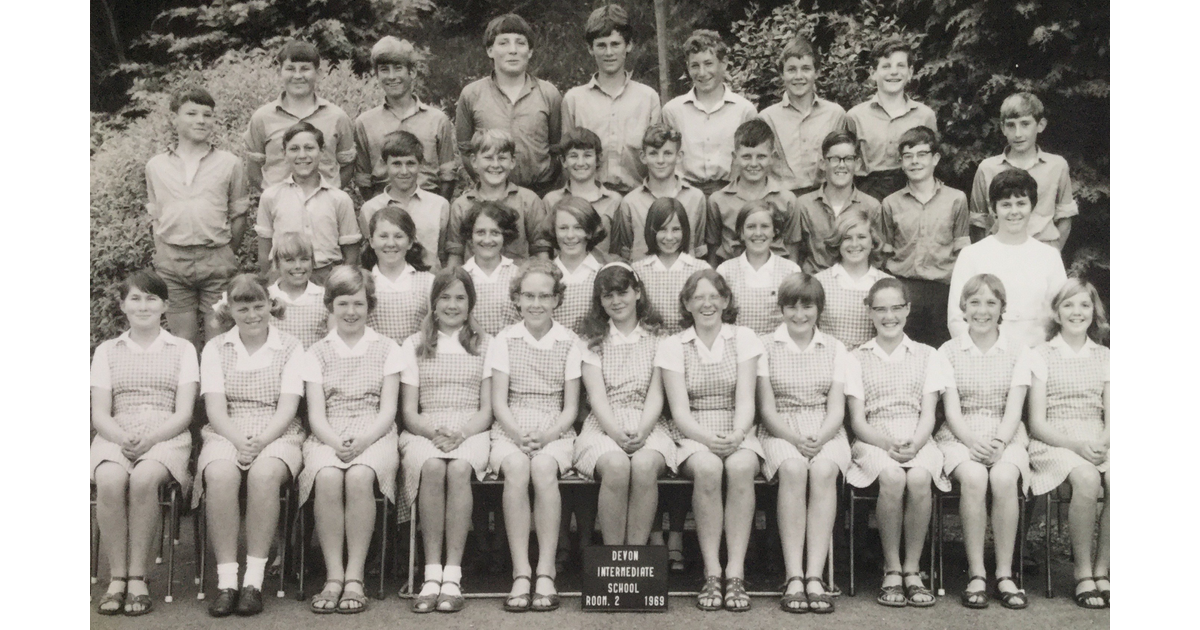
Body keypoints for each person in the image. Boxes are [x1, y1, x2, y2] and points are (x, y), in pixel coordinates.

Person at [195, 274, 306, 617]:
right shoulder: (215, 347)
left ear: (271, 305)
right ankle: (227, 581)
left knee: (264, 474)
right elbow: (215, 408)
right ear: (229, 309)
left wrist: (260, 441)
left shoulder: (291, 346)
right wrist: (239, 440)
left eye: (259, 305)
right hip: (227, 430)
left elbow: (288, 407)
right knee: (220, 474)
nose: (252, 314)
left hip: (277, 430)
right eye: (243, 307)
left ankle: (253, 582)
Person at [656, 269, 765, 612]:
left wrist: (736, 434)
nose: (707, 304)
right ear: (687, 304)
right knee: (707, 468)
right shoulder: (673, 345)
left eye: (714, 296)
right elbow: (679, 412)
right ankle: (712, 571)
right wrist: (708, 439)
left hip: (736, 426)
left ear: (726, 301)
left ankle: (736, 570)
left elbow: (747, 399)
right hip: (693, 432)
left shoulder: (744, 338)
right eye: (698, 297)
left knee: (743, 465)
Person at [91, 270, 199, 616]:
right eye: (135, 298)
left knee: (144, 478)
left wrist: (151, 438)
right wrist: (121, 437)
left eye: (151, 297)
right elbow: (99, 413)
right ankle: (117, 577)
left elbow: (184, 413)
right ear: (122, 305)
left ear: (165, 305)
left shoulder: (182, 349)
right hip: (117, 432)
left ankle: (139, 576)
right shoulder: (106, 350)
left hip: (165, 433)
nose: (143, 305)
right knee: (109, 480)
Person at [299, 265, 403, 614]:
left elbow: (388, 410)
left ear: (370, 306)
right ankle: (333, 575)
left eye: (358, 303)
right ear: (330, 305)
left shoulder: (388, 348)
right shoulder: (315, 352)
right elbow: (316, 414)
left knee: (360, 477)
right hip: (327, 432)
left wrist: (363, 440)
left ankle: (355, 576)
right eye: (343, 303)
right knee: (327, 476)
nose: (351, 312)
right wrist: (334, 440)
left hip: (375, 431)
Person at [844, 277, 953, 608]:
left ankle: (913, 570)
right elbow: (858, 422)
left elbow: (929, 416)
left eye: (896, 308)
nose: (888, 316)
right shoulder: (855, 357)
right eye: (880, 309)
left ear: (907, 310)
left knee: (919, 477)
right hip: (874, 439)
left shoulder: (927, 355)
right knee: (892, 476)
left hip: (918, 437)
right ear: (870, 313)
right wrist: (887, 443)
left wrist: (917, 443)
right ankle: (891, 568)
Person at [486, 259, 583, 612]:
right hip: (509, 428)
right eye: (529, 296)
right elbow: (499, 401)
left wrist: (546, 436)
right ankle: (520, 571)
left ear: (558, 299)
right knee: (515, 468)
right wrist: (517, 433)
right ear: (517, 299)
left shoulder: (570, 342)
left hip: (553, 429)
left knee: (543, 469)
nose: (536, 303)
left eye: (545, 296)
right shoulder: (504, 339)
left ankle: (545, 569)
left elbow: (570, 407)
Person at [398, 268, 494, 613]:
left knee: (459, 470)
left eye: (460, 297)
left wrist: (463, 433)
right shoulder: (414, 344)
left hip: (472, 429)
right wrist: (433, 433)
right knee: (433, 467)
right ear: (434, 302)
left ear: (470, 303)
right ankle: (431, 572)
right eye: (445, 297)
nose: (452, 305)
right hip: (426, 429)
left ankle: (452, 575)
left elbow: (487, 408)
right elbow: (409, 411)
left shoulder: (486, 344)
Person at [935, 274, 1033, 610]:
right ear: (963, 307)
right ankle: (976, 572)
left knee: (1004, 478)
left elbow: (1015, 407)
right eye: (975, 302)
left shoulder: (1019, 351)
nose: (982, 310)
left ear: (1002, 308)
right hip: (960, 435)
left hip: (1005, 434)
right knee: (975, 478)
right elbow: (951, 410)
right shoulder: (947, 351)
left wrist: (998, 442)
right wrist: (973, 442)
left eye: (991, 302)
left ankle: (1004, 574)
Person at [756, 273, 851, 614]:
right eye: (792, 306)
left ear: (818, 309)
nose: (799, 314)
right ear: (781, 309)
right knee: (794, 469)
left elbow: (837, 408)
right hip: (781, 429)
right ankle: (793, 575)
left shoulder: (835, 347)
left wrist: (820, 438)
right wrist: (795, 439)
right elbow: (767, 409)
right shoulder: (764, 346)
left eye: (807, 306)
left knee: (824, 470)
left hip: (825, 429)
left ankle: (815, 575)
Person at [574, 263, 675, 545]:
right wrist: (616, 433)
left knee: (644, 465)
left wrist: (642, 431)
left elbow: (657, 393)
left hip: (648, 422)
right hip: (604, 424)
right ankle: (613, 556)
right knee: (616, 466)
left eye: (623, 292)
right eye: (608, 296)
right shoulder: (591, 340)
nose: (616, 301)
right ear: (600, 301)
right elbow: (596, 395)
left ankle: (636, 555)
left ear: (638, 292)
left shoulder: (659, 338)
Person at [1027, 277, 1110, 609]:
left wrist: (1103, 442)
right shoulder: (1040, 354)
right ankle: (1082, 571)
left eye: (1085, 305)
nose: (1077, 312)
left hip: (1099, 437)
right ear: (1057, 314)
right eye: (1069, 304)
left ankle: (1103, 568)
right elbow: (1037, 422)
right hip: (1056, 442)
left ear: (1094, 312)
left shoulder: (1105, 356)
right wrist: (1077, 448)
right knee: (1087, 478)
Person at [145, 86, 248, 348]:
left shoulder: (230, 163)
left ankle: (214, 389)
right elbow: (156, 215)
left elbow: (239, 214)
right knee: (183, 343)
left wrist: (226, 253)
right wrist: (163, 254)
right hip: (172, 263)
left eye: (207, 115)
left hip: (216, 261)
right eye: (191, 113)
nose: (201, 120)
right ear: (174, 119)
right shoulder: (156, 166)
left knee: (220, 341)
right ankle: (189, 390)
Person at [948, 168, 1067, 348]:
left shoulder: (1049, 256)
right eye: (1005, 204)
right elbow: (957, 318)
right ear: (994, 208)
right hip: (985, 358)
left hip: (1039, 356)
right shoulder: (972, 255)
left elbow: (1061, 315)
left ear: (1032, 206)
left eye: (1021, 203)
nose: (1014, 211)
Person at [876, 126, 968, 349]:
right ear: (901, 162)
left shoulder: (956, 200)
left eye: (921, 155)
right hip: (906, 288)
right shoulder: (890, 203)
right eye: (907, 156)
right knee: (906, 351)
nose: (914, 162)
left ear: (935, 158)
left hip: (943, 290)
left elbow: (963, 252)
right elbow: (885, 253)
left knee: (943, 352)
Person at [455, 13, 562, 197]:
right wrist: (486, 183)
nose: (513, 50)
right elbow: (466, 150)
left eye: (520, 43)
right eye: (503, 43)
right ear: (490, 50)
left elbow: (556, 148)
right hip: (491, 194)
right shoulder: (472, 94)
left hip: (540, 193)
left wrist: (547, 186)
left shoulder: (549, 93)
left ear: (529, 51)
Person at [561, 4, 662, 196]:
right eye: (601, 45)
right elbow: (567, 160)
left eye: (615, 44)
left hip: (636, 197)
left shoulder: (648, 98)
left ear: (629, 45)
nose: (609, 53)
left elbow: (657, 158)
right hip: (588, 198)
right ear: (590, 48)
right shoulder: (574, 100)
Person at [255, 122, 361, 285]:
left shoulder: (339, 199)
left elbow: (351, 253)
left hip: (327, 277)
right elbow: (264, 251)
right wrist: (271, 282)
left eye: (309, 148)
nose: (302, 155)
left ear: (322, 151)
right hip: (284, 278)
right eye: (294, 149)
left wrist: (340, 284)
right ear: (284, 153)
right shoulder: (271, 196)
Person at [968, 92, 1077, 249]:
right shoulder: (987, 168)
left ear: (1040, 125)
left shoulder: (1057, 165)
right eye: (1011, 125)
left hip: (1043, 250)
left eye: (1025, 124)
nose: (1018, 133)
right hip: (1000, 252)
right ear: (1003, 128)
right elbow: (978, 221)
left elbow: (1065, 215)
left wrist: (1052, 253)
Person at [354, 36, 457, 201]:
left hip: (428, 208)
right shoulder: (365, 123)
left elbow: (448, 175)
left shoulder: (437, 120)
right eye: (384, 69)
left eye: (398, 68)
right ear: (377, 75)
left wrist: (436, 211)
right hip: (384, 213)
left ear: (413, 72)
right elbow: (363, 179)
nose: (391, 76)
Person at [245, 41, 355, 191]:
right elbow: (253, 165)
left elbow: (348, 164)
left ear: (318, 73)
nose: (297, 76)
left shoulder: (337, 117)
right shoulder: (262, 117)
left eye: (305, 69)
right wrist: (271, 195)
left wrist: (330, 193)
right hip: (279, 208)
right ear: (280, 72)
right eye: (290, 69)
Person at [661, 30, 757, 197]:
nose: (702, 73)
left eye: (709, 63)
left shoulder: (744, 110)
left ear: (724, 63)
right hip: (685, 196)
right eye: (695, 66)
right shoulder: (672, 111)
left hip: (731, 194)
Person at [845, 38, 937, 201]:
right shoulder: (855, 116)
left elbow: (930, 166)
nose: (893, 72)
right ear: (873, 73)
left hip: (912, 198)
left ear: (910, 72)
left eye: (900, 66)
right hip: (868, 198)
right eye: (886, 66)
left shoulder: (925, 115)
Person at [445, 129, 553, 265]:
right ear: (474, 161)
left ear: (512, 161)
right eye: (488, 158)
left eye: (502, 158)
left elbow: (541, 250)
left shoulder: (528, 200)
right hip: (475, 283)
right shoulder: (461, 206)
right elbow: (455, 255)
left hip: (518, 281)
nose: (495, 165)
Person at [757, 38, 848, 197]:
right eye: (791, 69)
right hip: (782, 201)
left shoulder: (835, 114)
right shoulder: (766, 119)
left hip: (825, 198)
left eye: (806, 68)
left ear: (817, 72)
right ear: (781, 74)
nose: (799, 76)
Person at [707, 118, 802, 266]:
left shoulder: (787, 200)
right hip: (731, 276)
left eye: (761, 157)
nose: (753, 164)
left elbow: (792, 252)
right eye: (746, 156)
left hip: (776, 277)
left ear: (772, 157)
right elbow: (713, 253)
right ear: (735, 158)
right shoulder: (718, 200)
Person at [609, 124, 710, 262]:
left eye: (667, 153)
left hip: (685, 277)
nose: (660, 161)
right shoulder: (630, 202)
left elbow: (698, 248)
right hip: (643, 277)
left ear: (679, 156)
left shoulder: (696, 198)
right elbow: (627, 250)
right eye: (653, 153)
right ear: (643, 157)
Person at [358, 131, 452, 270]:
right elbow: (370, 256)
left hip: (430, 283)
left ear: (420, 165)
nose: (404, 171)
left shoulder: (439, 205)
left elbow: (443, 254)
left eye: (410, 163)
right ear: (385, 165)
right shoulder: (370, 208)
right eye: (396, 164)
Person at [795, 131, 881, 274]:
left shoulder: (871, 206)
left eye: (848, 159)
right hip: (814, 286)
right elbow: (796, 253)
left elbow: (877, 255)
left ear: (858, 164)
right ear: (823, 163)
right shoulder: (803, 205)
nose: (841, 165)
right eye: (834, 159)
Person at [716, 200, 802, 335]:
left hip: (777, 350)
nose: (758, 233)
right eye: (751, 227)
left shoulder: (791, 271)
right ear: (741, 232)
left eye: (765, 226)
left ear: (775, 231)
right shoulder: (725, 271)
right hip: (737, 349)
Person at [814, 209, 892, 349]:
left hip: (871, 364)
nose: (854, 244)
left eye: (861, 237)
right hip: (830, 363)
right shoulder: (819, 282)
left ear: (873, 241)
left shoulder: (887, 284)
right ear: (837, 243)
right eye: (847, 238)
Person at [632, 198, 711, 335]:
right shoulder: (638, 270)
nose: (669, 237)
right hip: (650, 345)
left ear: (684, 231)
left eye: (676, 229)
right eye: (662, 229)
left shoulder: (700, 269)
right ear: (651, 231)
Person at [542, 128, 623, 256]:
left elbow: (618, 248)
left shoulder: (614, 200)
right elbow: (546, 246)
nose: (580, 163)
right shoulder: (551, 200)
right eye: (573, 156)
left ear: (598, 158)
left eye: (587, 155)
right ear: (563, 161)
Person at [362, 207, 434, 345]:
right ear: (371, 241)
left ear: (410, 242)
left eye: (398, 236)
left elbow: (435, 329)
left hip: (416, 360)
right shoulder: (362, 282)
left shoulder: (428, 282)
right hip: (375, 361)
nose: (391, 243)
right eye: (383, 236)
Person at [459, 201, 522, 335]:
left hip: (512, 351)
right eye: (480, 232)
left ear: (505, 236)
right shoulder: (460, 277)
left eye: (495, 233)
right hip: (472, 351)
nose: (487, 240)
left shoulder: (518, 275)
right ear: (470, 236)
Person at [549, 196, 609, 332]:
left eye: (578, 227)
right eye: (563, 228)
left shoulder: (603, 274)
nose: (570, 235)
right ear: (554, 230)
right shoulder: (545, 275)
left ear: (590, 231)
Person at [268, 233, 329, 349]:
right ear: (277, 262)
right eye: (289, 260)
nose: (298, 266)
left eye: (304, 259)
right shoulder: (267, 297)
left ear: (312, 262)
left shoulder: (324, 297)